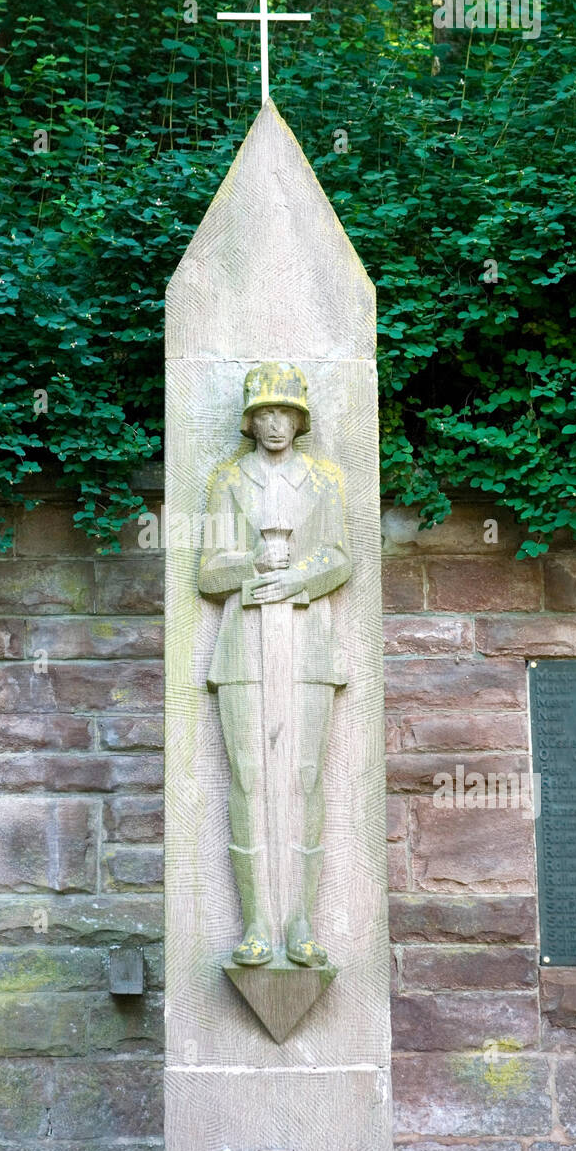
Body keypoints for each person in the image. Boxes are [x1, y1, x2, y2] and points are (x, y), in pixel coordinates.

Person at [199, 362, 351, 967]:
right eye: (263, 412)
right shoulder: (227, 479)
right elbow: (208, 572)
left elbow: (341, 557)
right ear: (250, 420)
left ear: (299, 419)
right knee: (249, 779)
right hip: (243, 648)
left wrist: (296, 579)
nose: (274, 423)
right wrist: (252, 568)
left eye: (283, 412)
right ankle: (256, 921)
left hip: (309, 642)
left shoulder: (326, 479)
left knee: (306, 776)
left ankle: (302, 922)